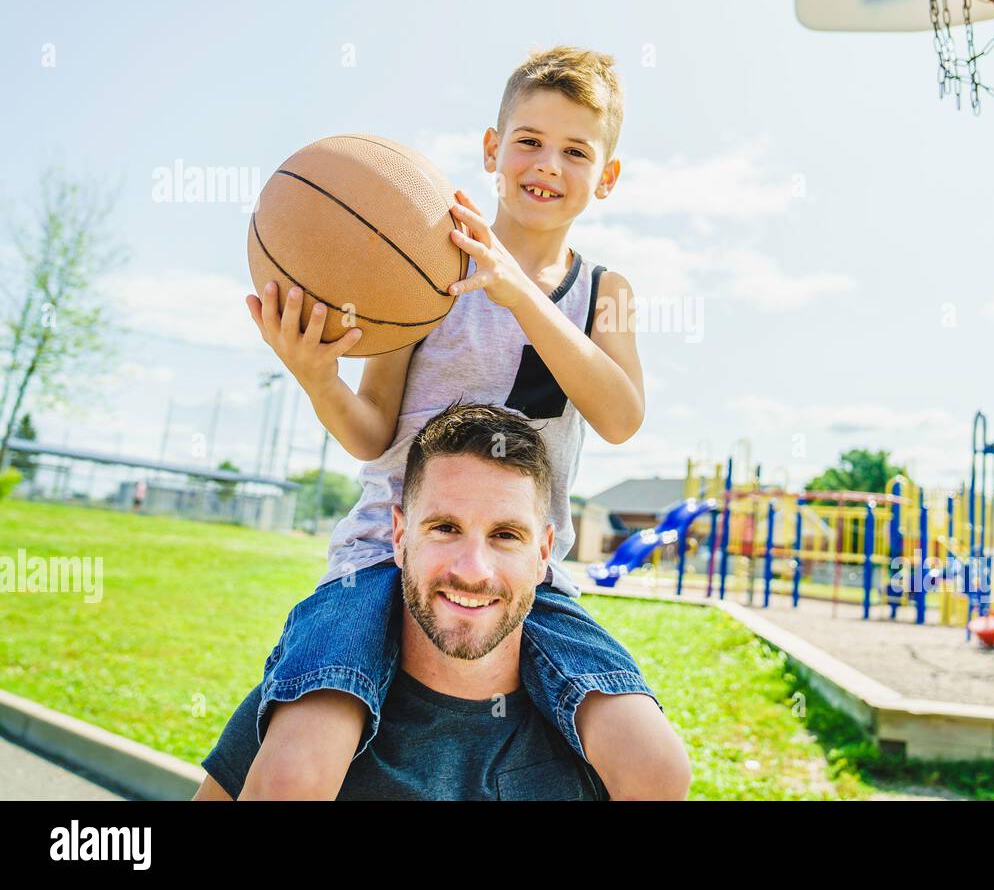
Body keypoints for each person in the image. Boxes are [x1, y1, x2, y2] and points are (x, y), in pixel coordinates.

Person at [241, 47, 690, 800]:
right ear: (492, 150)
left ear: (606, 176)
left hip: (523, 575)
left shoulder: (608, 290)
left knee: (655, 762)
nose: (548, 163)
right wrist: (319, 377)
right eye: (529, 140)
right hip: (383, 555)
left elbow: (620, 414)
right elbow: (371, 431)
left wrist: (523, 295)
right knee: (294, 770)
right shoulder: (425, 262)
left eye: (576, 150)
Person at [195, 403, 687, 800]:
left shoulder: (602, 740)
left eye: (506, 535)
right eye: (445, 528)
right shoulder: (303, 700)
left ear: (543, 555)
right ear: (399, 536)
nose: (473, 570)